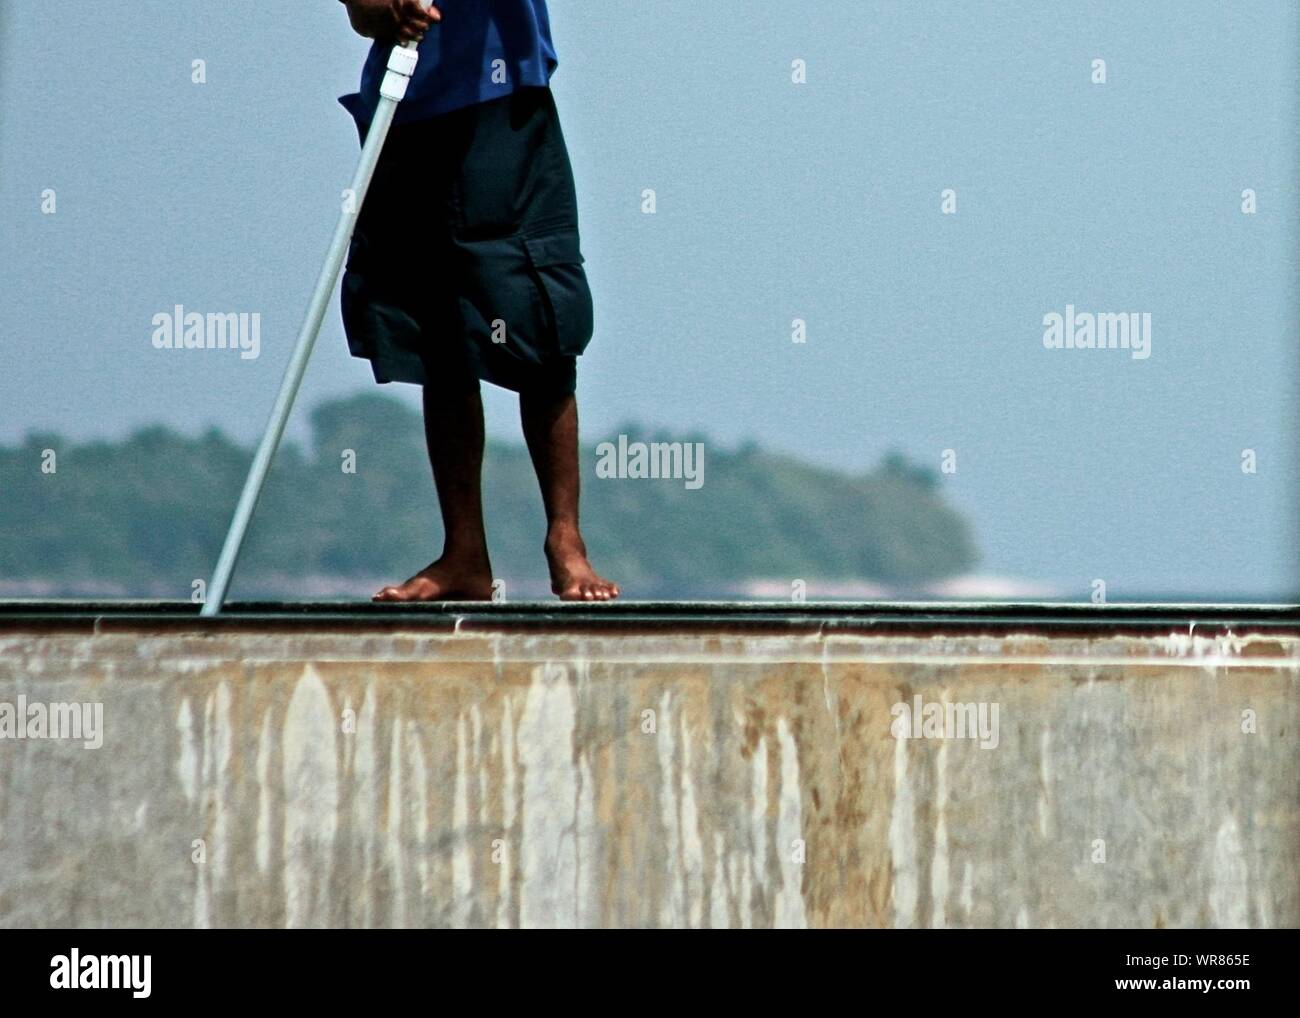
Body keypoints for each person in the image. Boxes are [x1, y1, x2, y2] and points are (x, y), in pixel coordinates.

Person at [337, 0, 618, 601]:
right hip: (407, 111)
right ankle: (464, 554)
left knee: (539, 316)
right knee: (437, 333)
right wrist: (393, 10)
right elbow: (363, 12)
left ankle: (565, 540)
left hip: (503, 98)